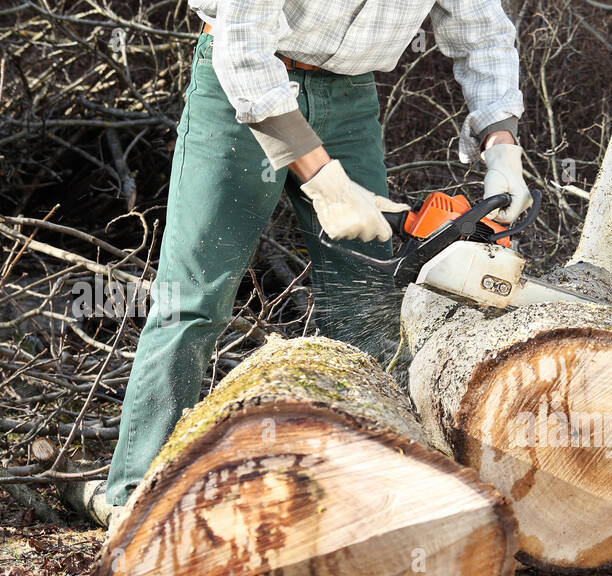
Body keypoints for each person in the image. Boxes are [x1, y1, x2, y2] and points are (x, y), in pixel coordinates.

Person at [101, 0, 530, 521]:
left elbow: (480, 31)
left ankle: (367, 495)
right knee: (194, 300)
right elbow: (242, 46)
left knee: (365, 310)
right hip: (244, 79)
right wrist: (323, 180)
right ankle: (137, 497)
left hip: (348, 95)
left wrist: (501, 143)